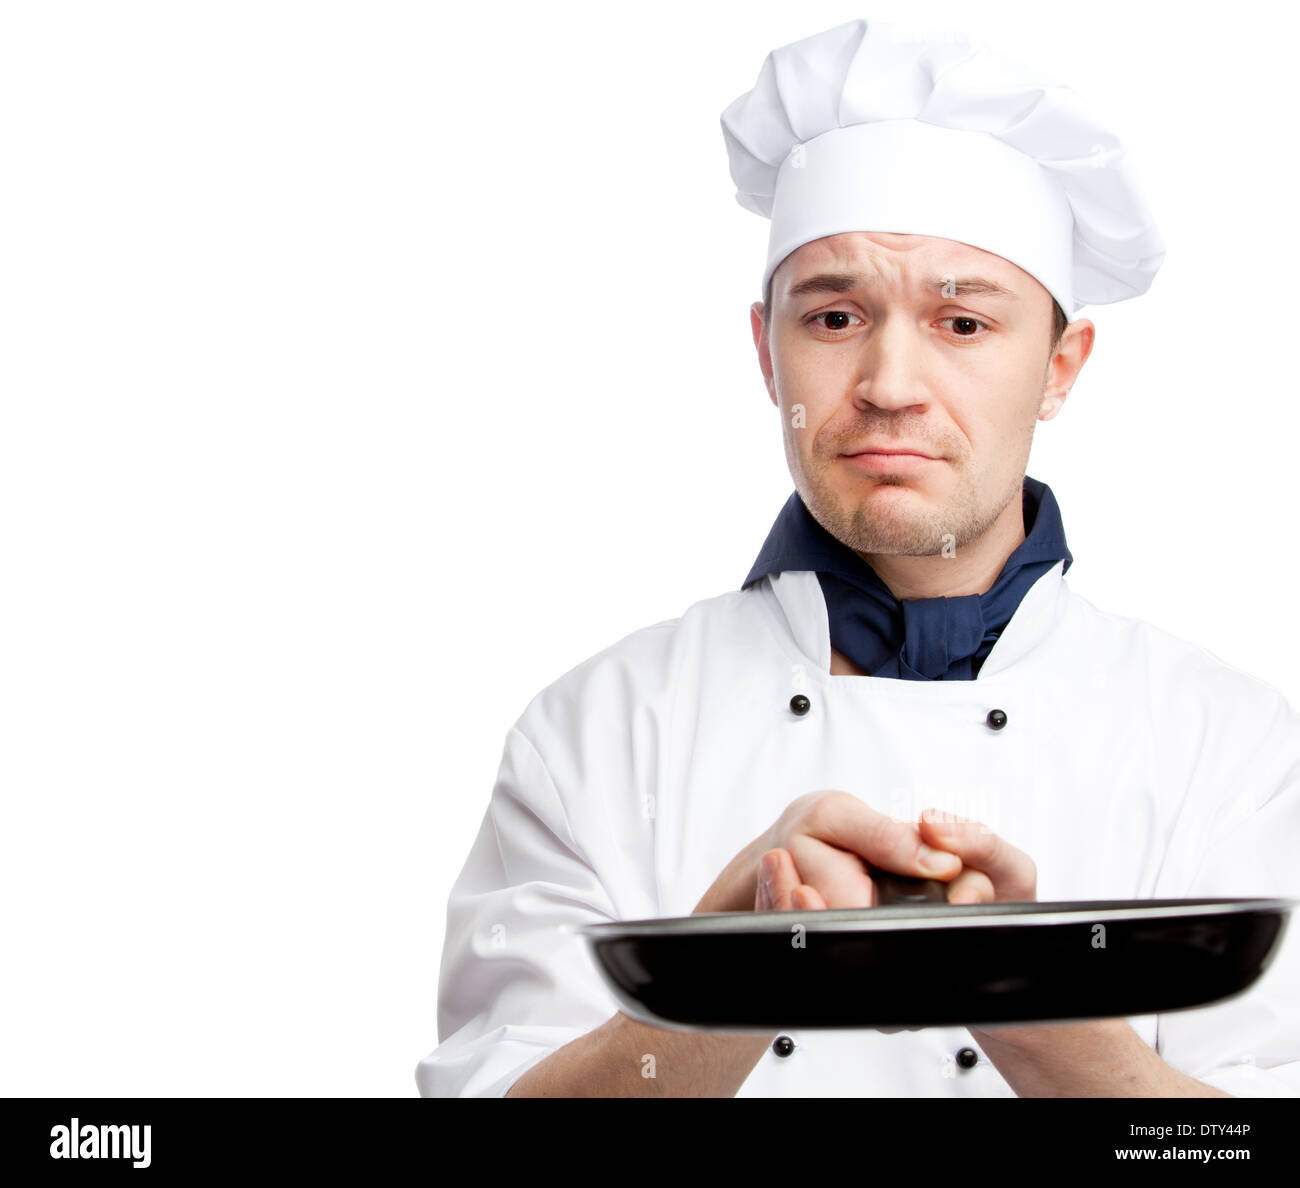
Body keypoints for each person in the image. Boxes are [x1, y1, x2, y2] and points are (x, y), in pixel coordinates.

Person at [415, 17, 1300, 1097]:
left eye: (963, 325)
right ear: (764, 348)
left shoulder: (1235, 753)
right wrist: (718, 982)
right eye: (834, 317)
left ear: (1061, 368)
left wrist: (1034, 1005)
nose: (889, 382)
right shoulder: (598, 736)